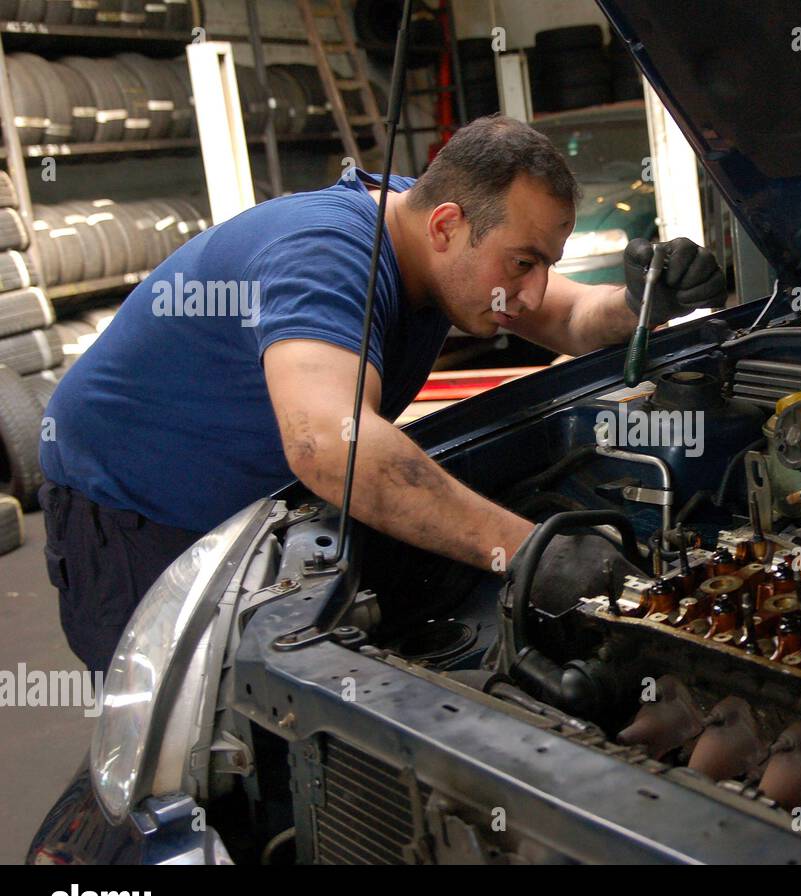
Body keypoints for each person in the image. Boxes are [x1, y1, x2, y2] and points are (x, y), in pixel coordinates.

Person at [38, 115, 725, 673]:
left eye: (546, 264)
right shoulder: (330, 256)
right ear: (447, 225)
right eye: (523, 263)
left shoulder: (427, 234)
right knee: (193, 745)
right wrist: (528, 550)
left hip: (253, 504)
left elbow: (573, 318)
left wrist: (639, 301)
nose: (533, 289)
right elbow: (327, 449)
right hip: (132, 514)